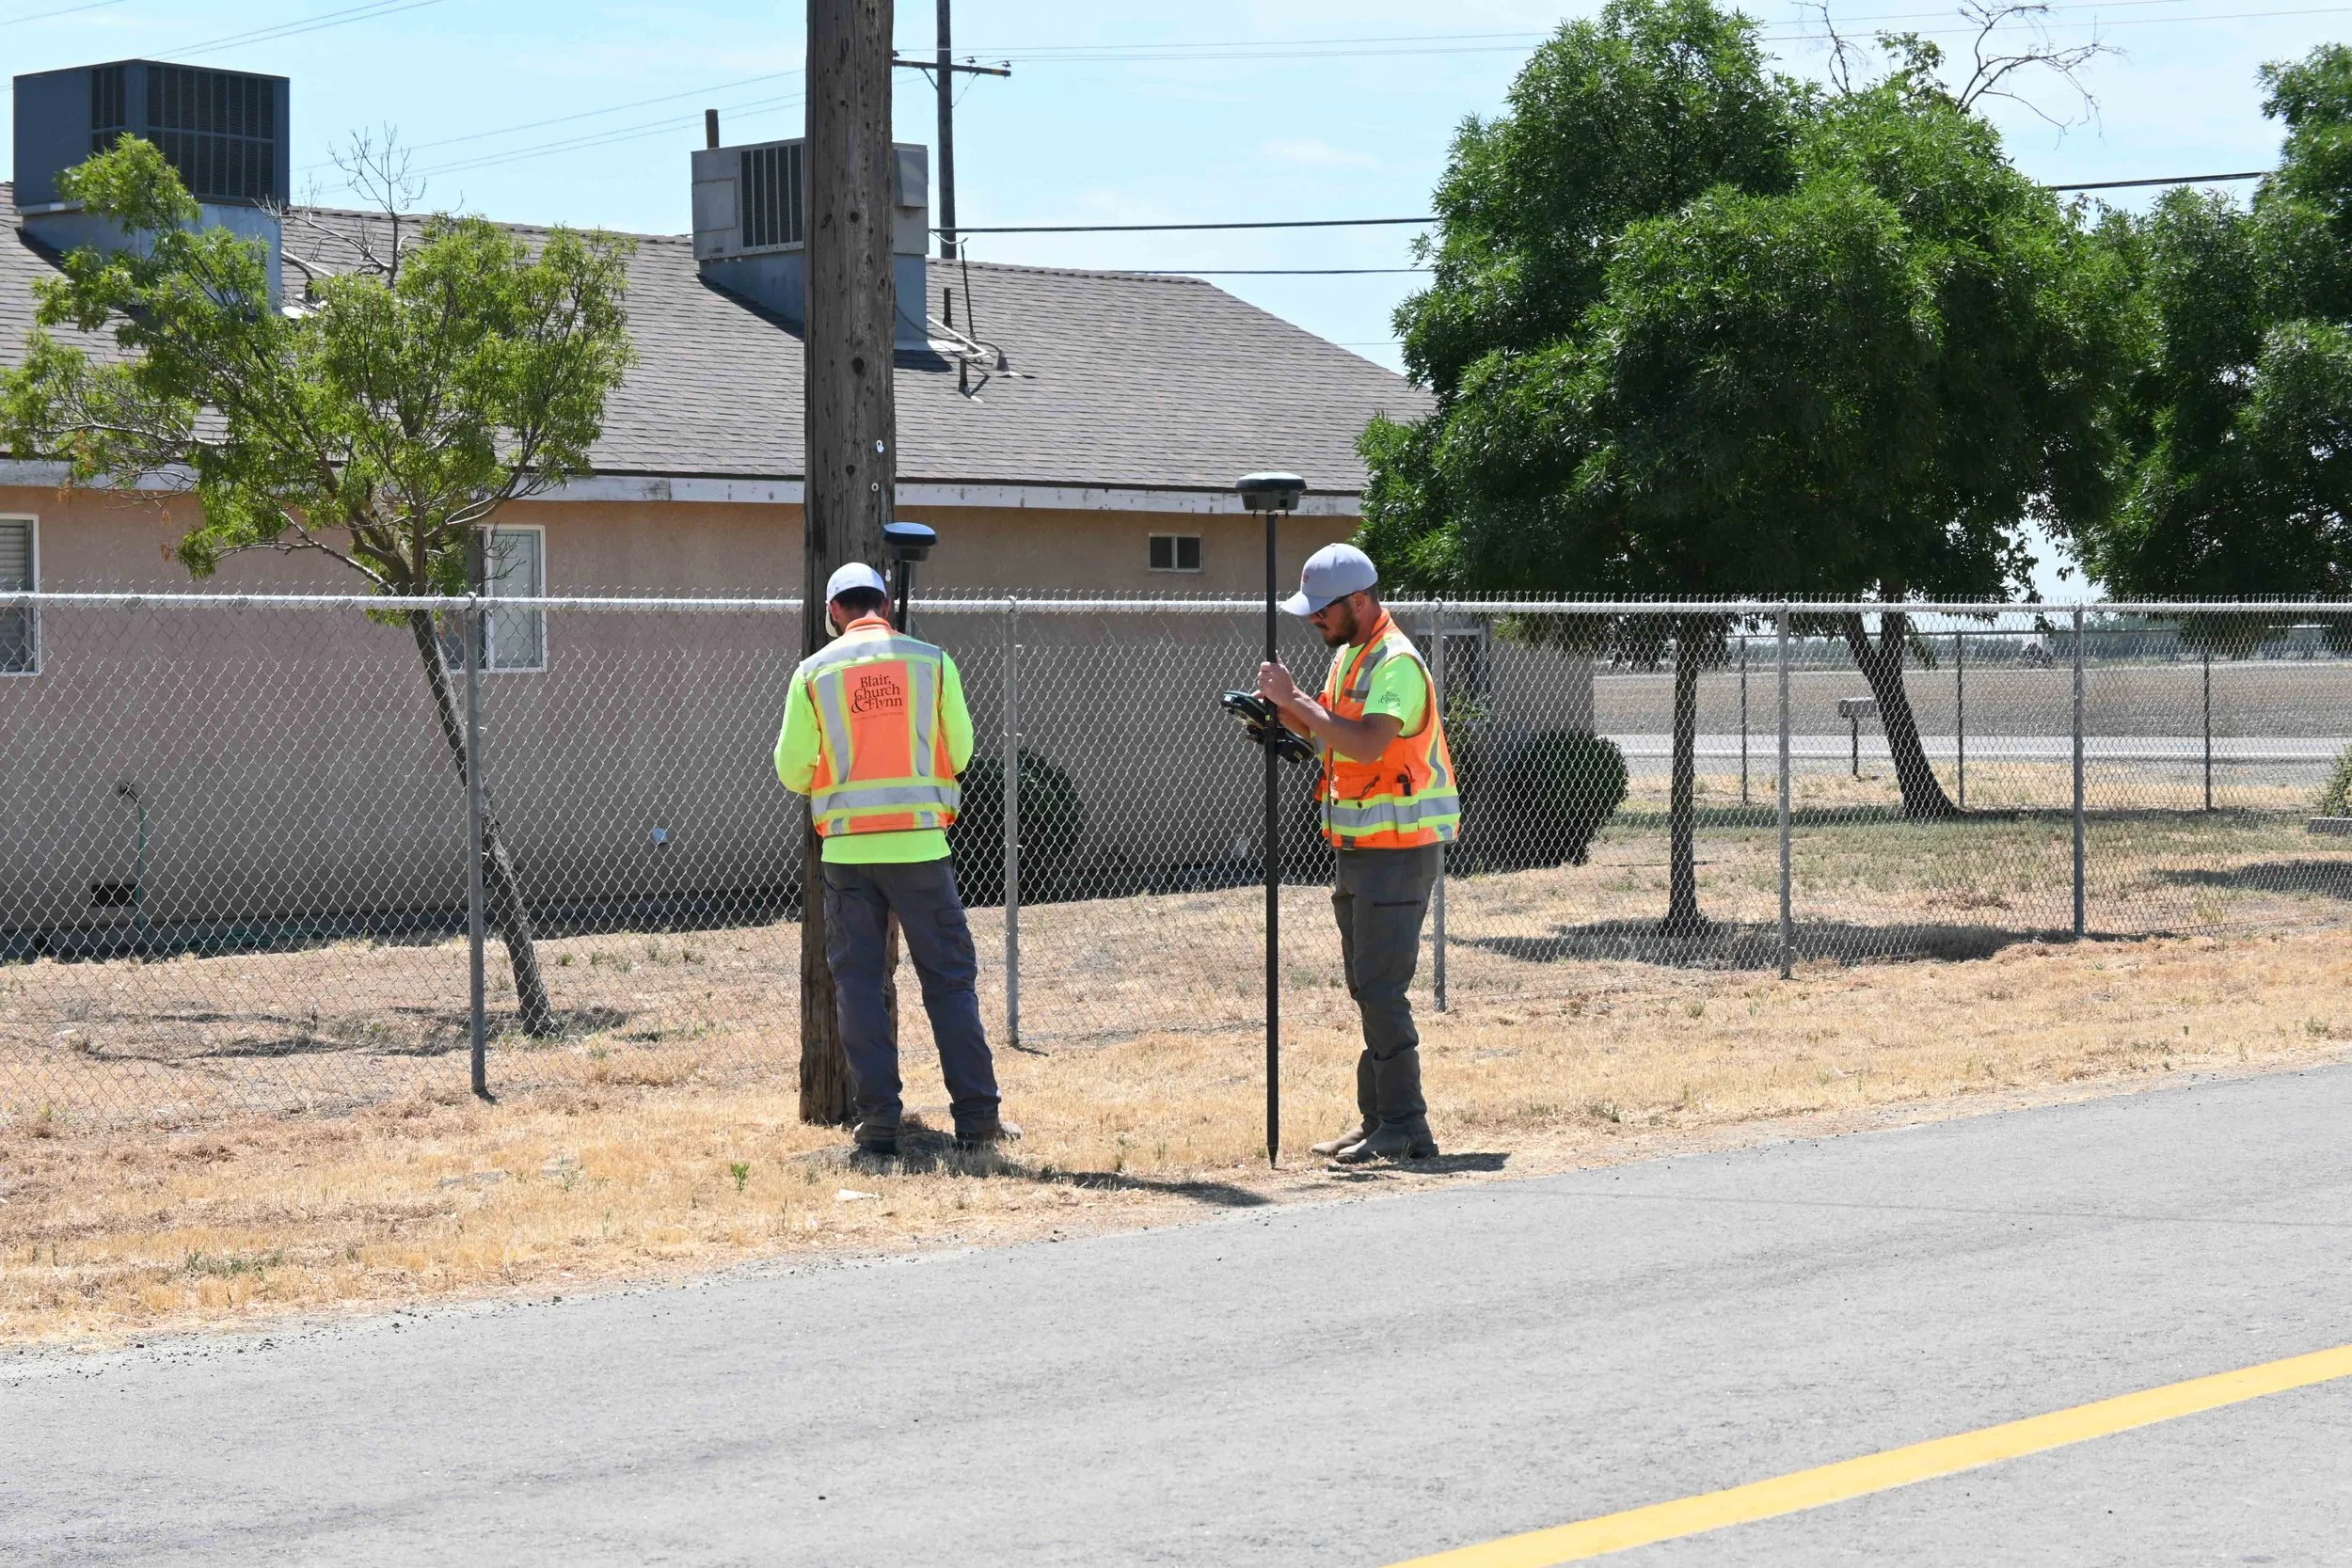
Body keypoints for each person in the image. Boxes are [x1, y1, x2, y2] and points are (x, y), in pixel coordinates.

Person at [774, 562, 1013, 1158]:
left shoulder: (813, 674)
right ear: (886, 601)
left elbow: (790, 770)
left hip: (848, 854)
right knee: (949, 982)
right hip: (922, 849)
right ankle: (977, 1121)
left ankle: (879, 1124)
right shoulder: (932, 663)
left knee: (857, 986)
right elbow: (960, 751)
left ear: (833, 612)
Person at [1257, 543, 1461, 1164]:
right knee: (1366, 987)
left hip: (1397, 852)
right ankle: (1377, 1120)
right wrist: (1280, 718)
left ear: (1360, 601)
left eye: (1322, 611)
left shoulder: (1395, 662)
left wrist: (1301, 703)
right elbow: (1331, 737)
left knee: (1380, 988)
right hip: (1360, 850)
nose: (1314, 621)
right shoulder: (1351, 658)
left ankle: (1406, 1125)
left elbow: (1370, 745)